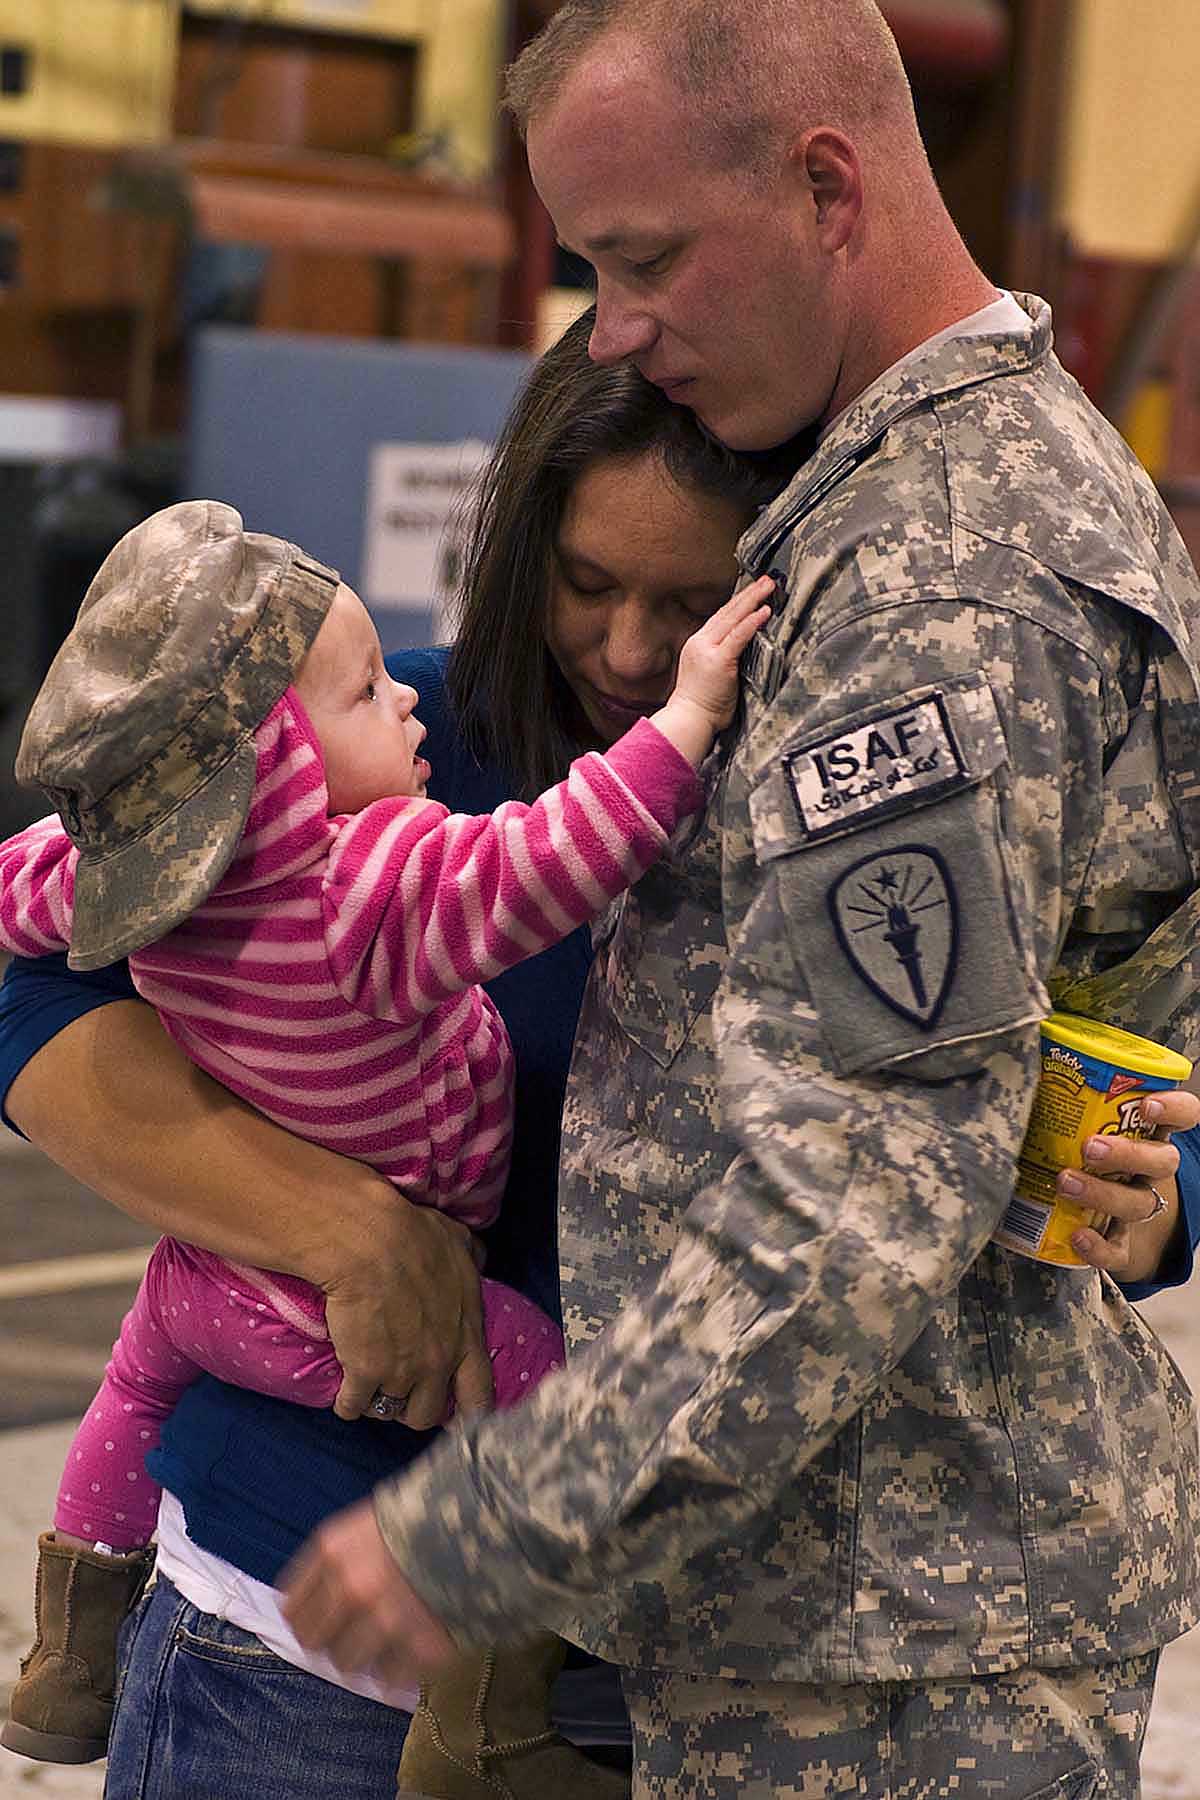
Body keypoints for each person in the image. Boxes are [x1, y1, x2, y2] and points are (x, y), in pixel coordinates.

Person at [278, 6, 1200, 1797]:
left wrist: (493, 1522)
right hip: (847, 1595)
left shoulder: (950, 566)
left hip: (905, 1633)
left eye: (640, 261)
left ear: (826, 184)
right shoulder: (892, 497)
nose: (610, 330)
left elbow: (863, 1177)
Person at [0, 313, 795, 1800]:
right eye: (585, 584)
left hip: (726, 1665)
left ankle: (75, 1627)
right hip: (306, 1632)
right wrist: (339, 1229)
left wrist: (1166, 1185)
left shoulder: (849, 809)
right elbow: (31, 994)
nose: (628, 651)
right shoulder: (376, 771)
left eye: (687, 609)